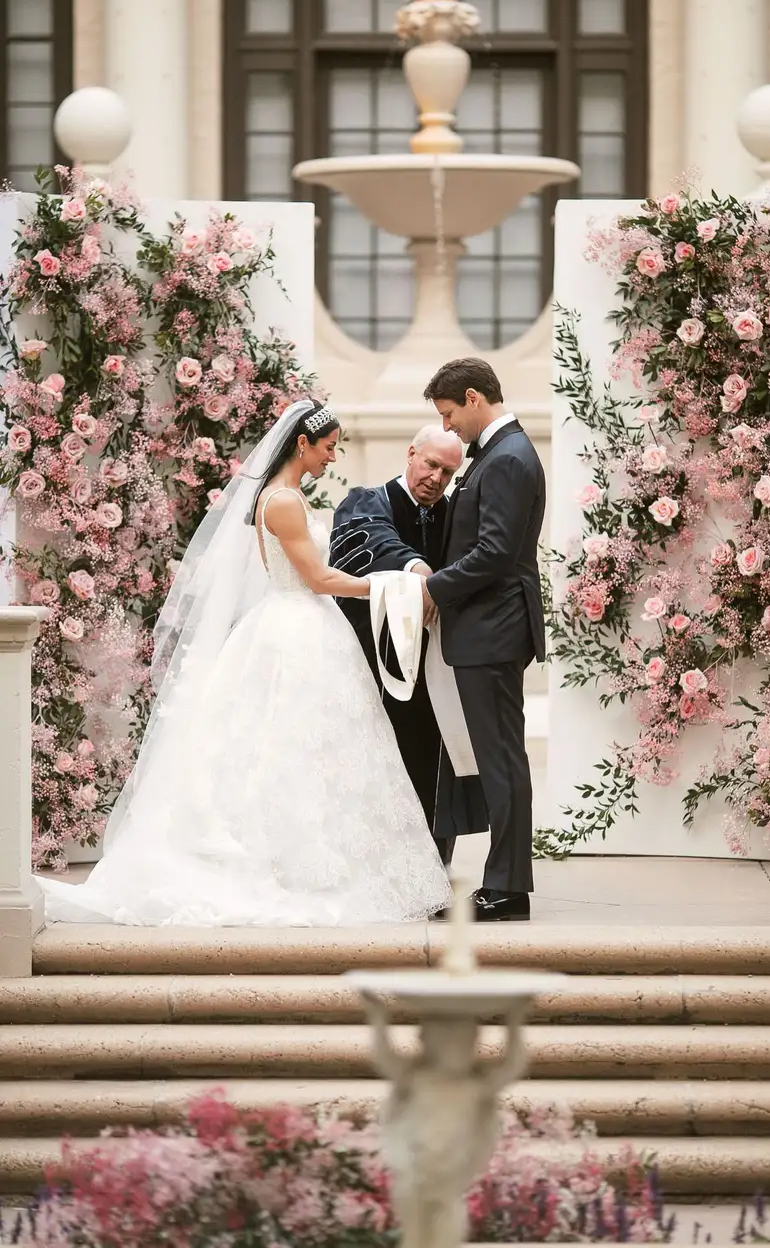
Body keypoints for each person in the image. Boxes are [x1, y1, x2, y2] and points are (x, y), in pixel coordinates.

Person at [40, 400, 451, 928]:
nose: (331, 458)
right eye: (327, 448)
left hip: (306, 625)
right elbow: (319, 580)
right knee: (287, 745)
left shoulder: (288, 496)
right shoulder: (282, 502)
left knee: (320, 747)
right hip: (297, 627)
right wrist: (394, 585)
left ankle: (322, 859)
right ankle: (290, 865)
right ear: (302, 443)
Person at [422, 358, 546, 923]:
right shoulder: (499, 455)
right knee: (501, 758)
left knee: (500, 760)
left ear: (474, 398)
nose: (448, 428)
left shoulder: (508, 458)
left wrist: (435, 590)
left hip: (494, 628)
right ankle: (506, 883)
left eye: (449, 415)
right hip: (488, 628)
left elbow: (495, 552)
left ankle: (506, 889)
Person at [329, 426, 463, 861]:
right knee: (379, 755)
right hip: (378, 657)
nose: (437, 479)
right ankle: (374, 857)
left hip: (436, 662)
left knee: (435, 760)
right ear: (411, 454)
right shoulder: (367, 501)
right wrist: (415, 567)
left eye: (448, 472)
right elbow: (369, 542)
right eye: (431, 464)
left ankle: (430, 859)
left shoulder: (456, 513)